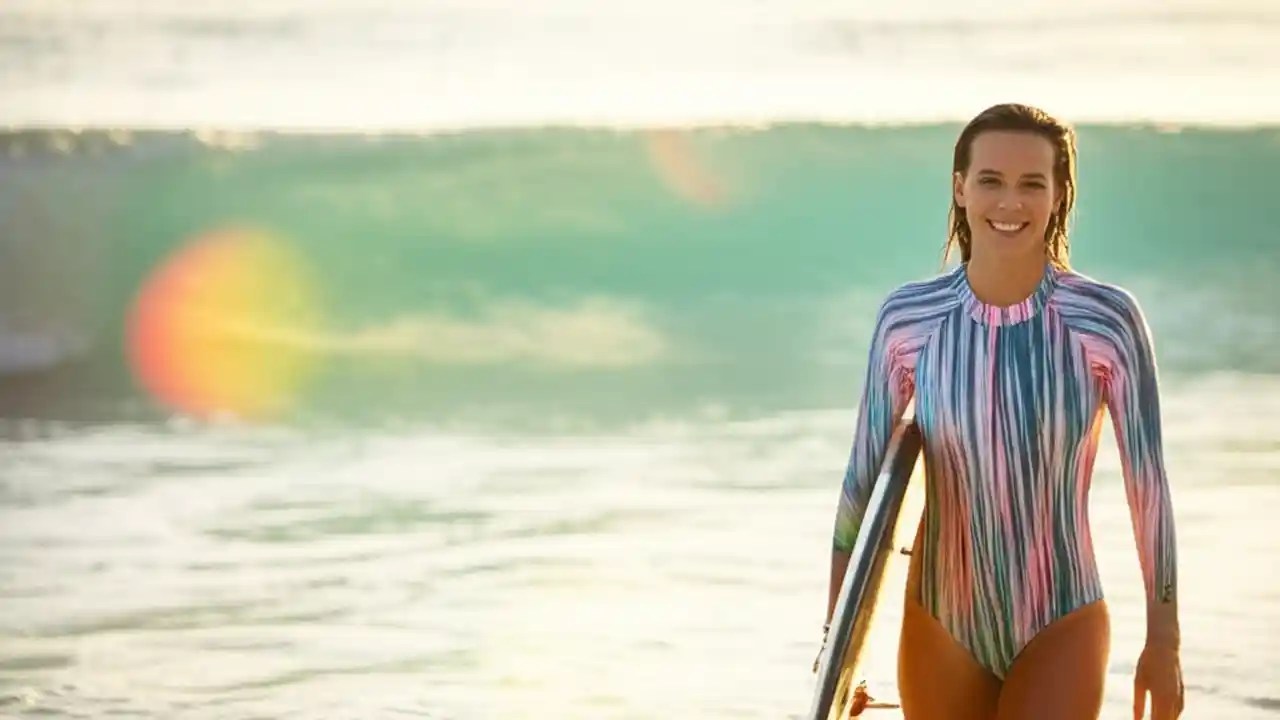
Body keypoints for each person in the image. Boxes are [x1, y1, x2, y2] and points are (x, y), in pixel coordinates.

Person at [822, 103, 1184, 719]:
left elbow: (1147, 487)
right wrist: (837, 652)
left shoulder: (1104, 321)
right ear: (961, 188)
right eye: (990, 180)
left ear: (1059, 194)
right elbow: (862, 487)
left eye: (1031, 184)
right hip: (941, 620)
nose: (1009, 202)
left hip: (1060, 614)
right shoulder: (911, 320)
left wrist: (1164, 640)